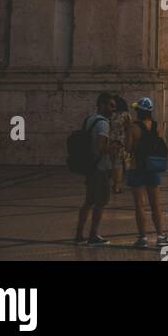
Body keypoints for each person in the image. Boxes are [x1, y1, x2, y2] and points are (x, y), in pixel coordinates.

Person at [74, 92, 116, 246]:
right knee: (100, 203)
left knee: (88, 202)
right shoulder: (103, 123)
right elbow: (100, 148)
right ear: (102, 105)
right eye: (111, 105)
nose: (112, 109)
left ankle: (79, 234)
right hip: (100, 168)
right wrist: (113, 147)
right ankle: (93, 235)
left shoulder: (89, 120)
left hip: (90, 166)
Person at [127, 97, 168, 249]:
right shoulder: (157, 126)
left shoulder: (133, 127)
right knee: (155, 204)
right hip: (152, 168)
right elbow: (160, 144)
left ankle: (142, 237)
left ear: (139, 111)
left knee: (139, 205)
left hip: (136, 167)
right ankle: (160, 235)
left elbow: (128, 148)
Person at [109, 96, 130, 195]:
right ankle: (117, 186)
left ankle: (113, 184)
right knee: (119, 164)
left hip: (109, 141)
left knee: (112, 163)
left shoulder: (109, 115)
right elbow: (129, 130)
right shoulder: (126, 115)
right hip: (121, 142)